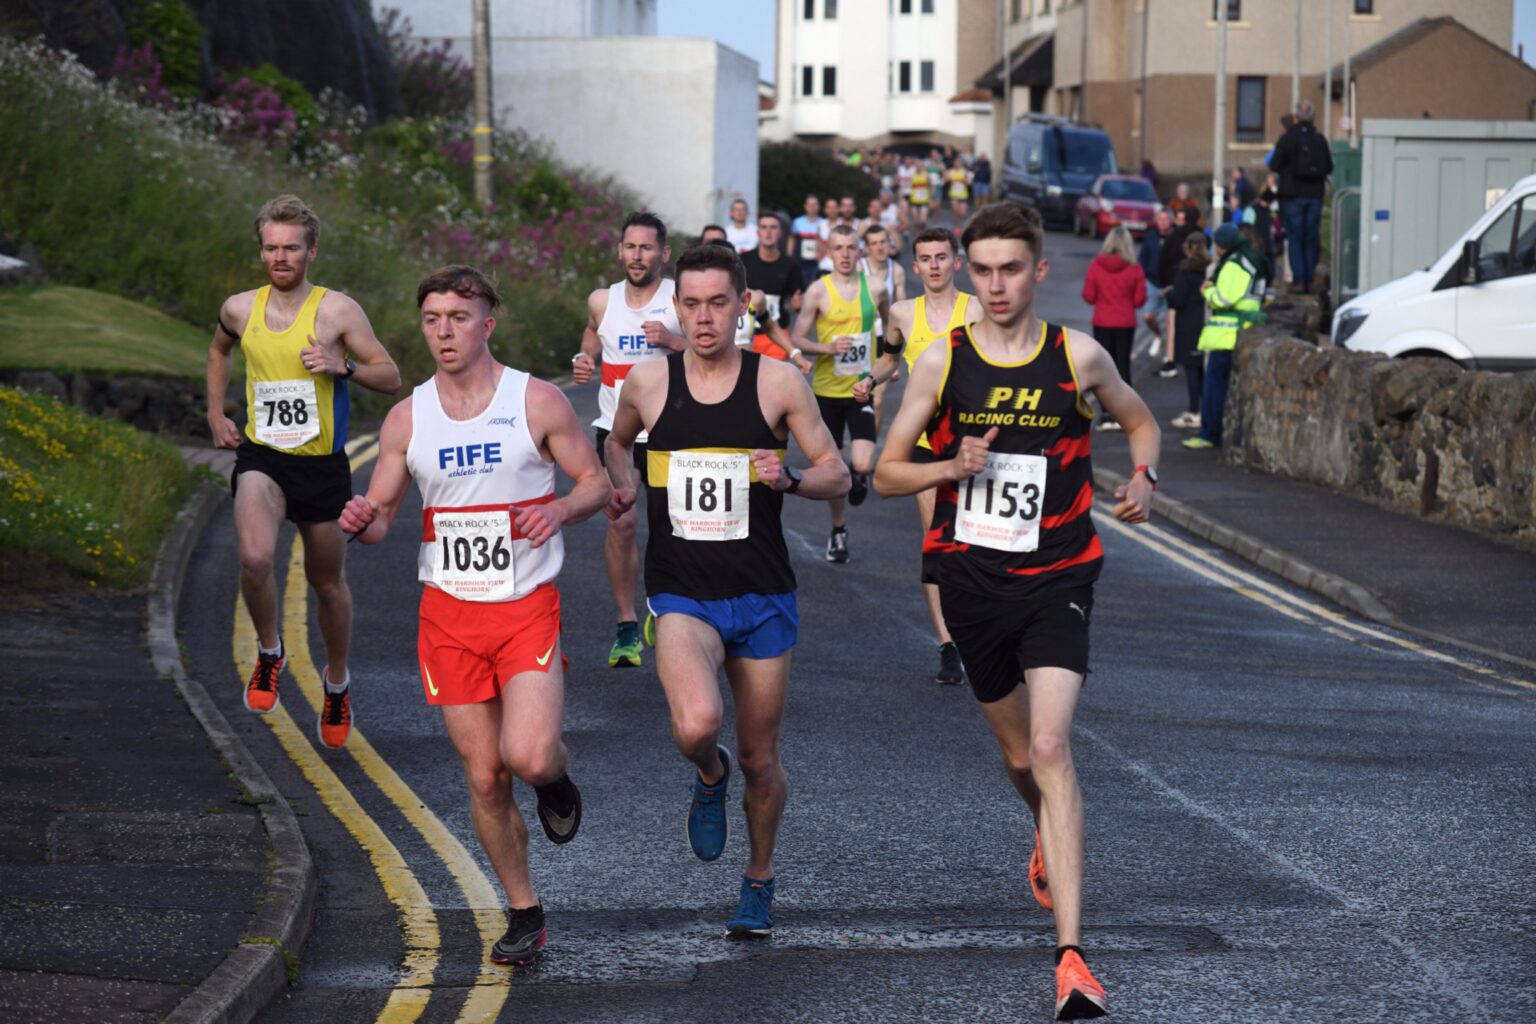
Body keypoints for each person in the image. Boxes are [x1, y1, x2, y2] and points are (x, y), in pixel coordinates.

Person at [874, 201, 1159, 1023]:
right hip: (970, 581)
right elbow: (888, 473)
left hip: (1060, 575)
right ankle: (1045, 827)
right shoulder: (941, 364)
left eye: (1012, 269)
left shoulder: (1079, 356)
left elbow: (1140, 422)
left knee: (1050, 742)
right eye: (984, 269)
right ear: (969, 272)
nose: (996, 285)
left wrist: (1144, 478)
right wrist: (945, 465)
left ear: (1040, 271)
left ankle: (1072, 959)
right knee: (1019, 757)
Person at [339, 265, 610, 966]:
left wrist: (557, 507)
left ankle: (554, 779)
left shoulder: (537, 402)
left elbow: (594, 482)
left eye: (458, 317)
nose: (443, 331)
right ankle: (525, 910)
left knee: (527, 756)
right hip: (449, 617)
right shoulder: (408, 417)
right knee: (486, 775)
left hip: (525, 608)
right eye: (432, 318)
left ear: (487, 322)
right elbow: (382, 518)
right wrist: (362, 517)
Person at [604, 243, 850, 938]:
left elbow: (838, 474)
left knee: (761, 758)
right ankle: (707, 776)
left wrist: (792, 479)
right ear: (674, 306)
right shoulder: (649, 383)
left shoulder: (778, 384)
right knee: (696, 726)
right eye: (691, 303)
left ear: (743, 304)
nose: (704, 317)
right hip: (682, 591)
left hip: (764, 591)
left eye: (718, 302)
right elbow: (617, 442)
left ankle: (759, 880)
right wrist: (620, 484)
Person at [206, 194, 402, 748]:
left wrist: (342, 367)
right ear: (261, 251)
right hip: (263, 459)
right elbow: (219, 351)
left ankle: (336, 682)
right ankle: (271, 651)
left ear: (311, 250)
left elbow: (391, 376)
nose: (280, 257)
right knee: (255, 557)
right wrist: (216, 411)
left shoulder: (338, 311)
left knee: (327, 584)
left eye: (291, 247)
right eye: (271, 248)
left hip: (322, 466)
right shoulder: (240, 308)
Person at [854, 226, 980, 688]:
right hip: (925, 444)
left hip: (974, 442)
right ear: (914, 266)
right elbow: (890, 359)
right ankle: (949, 645)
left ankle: (985, 628)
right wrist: (871, 379)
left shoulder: (978, 309)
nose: (933, 265)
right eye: (925, 258)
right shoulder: (903, 313)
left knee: (982, 540)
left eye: (941, 257)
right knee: (936, 543)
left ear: (956, 263)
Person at [571, 212, 687, 667]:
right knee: (621, 520)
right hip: (613, 427)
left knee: (671, 523)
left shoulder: (679, 299)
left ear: (664, 254)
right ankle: (625, 626)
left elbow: (717, 350)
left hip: (667, 425)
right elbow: (591, 334)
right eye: (630, 247)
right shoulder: (602, 299)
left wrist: (673, 343)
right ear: (619, 252)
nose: (637, 256)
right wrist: (585, 356)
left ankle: (665, 605)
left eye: (646, 248)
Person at [790, 224, 890, 563]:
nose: (845, 254)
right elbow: (796, 338)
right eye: (838, 248)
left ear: (859, 251)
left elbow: (893, 328)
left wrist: (889, 360)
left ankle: (858, 475)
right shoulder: (818, 290)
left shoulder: (875, 288)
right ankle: (838, 528)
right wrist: (826, 348)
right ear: (828, 253)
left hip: (860, 388)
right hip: (825, 394)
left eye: (851, 247)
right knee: (833, 471)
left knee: (862, 461)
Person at [1184, 223, 1263, 450]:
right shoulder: (1246, 258)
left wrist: (1207, 290)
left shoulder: (1235, 264)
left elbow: (1224, 298)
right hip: (1235, 331)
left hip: (1228, 333)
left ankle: (1210, 434)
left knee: (1214, 388)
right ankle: (1210, 431)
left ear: (1221, 246)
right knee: (1217, 387)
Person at [1080, 225, 1147, 430]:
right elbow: (1139, 300)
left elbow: (1089, 296)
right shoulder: (1134, 268)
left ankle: (1106, 414)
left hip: (1102, 321)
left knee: (1102, 370)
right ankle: (1124, 415)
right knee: (1123, 367)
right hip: (1125, 322)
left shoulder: (1096, 265)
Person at [1269, 99, 1333, 293]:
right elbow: (1329, 167)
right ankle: (1310, 277)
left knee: (1296, 237)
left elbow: (1275, 165)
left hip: (1292, 195)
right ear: (1313, 118)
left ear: (1295, 117)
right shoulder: (1320, 140)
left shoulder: (1287, 138)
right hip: (1314, 195)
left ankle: (1299, 280)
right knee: (1311, 236)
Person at [739, 213, 809, 367]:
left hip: (776, 335)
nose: (768, 232)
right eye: (764, 227)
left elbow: (799, 299)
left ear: (780, 233)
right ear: (758, 232)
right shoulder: (744, 260)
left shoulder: (790, 265)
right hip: (748, 335)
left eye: (773, 227)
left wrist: (798, 305)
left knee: (773, 385)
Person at [859, 224, 907, 433]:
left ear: (889, 244)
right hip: (860, 337)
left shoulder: (896, 271)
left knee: (877, 401)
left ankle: (870, 445)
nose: (879, 247)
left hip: (885, 339)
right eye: (874, 243)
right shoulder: (859, 268)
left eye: (883, 242)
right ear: (867, 248)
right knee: (854, 398)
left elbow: (903, 307)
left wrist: (894, 360)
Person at [1165, 232, 1210, 430]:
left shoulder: (1185, 269)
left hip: (1189, 322)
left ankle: (1195, 411)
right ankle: (1207, 409)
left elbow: (1179, 298)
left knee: (1192, 369)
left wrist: (1170, 294)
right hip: (1206, 320)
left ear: (1188, 248)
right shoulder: (1210, 269)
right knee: (1204, 369)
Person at [1136, 209, 1176, 373]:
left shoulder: (1175, 237)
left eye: (1166, 219)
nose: (1163, 222)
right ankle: (1157, 336)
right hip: (1152, 282)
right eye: (1160, 219)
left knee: (1170, 322)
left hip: (1170, 284)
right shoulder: (1151, 236)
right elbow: (1142, 258)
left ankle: (1169, 354)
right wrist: (1143, 275)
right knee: (1148, 316)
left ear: (1171, 221)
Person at [790, 195, 825, 286]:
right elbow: (791, 240)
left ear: (819, 207)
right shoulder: (797, 222)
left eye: (814, 204)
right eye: (809, 204)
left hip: (817, 262)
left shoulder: (824, 223)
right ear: (805, 206)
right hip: (800, 261)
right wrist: (789, 256)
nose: (812, 207)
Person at [909, 159, 933, 227]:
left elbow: (932, 185)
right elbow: (907, 187)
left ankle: (923, 234)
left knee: (923, 221)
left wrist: (930, 196)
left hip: (924, 200)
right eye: (917, 165)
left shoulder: (926, 174)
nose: (918, 167)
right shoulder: (912, 175)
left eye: (919, 165)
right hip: (914, 200)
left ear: (921, 166)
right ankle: (915, 235)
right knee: (915, 221)